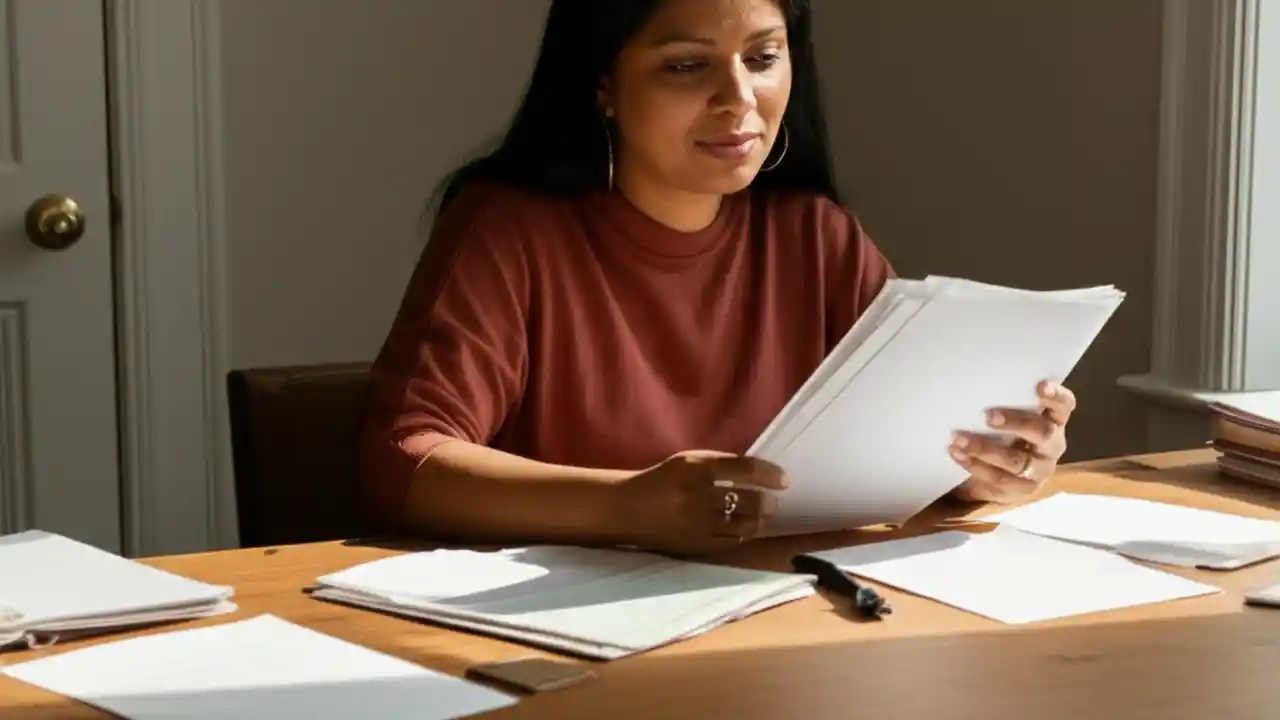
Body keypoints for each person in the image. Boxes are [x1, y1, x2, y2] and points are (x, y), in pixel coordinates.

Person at [359, 0, 1075, 556]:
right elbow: (407, 462)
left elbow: (900, 444)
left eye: (762, 57)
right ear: (603, 82)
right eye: (685, 65)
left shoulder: (814, 233)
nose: (739, 98)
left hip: (773, 623)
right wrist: (628, 505)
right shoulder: (508, 229)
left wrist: (979, 470)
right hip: (566, 646)